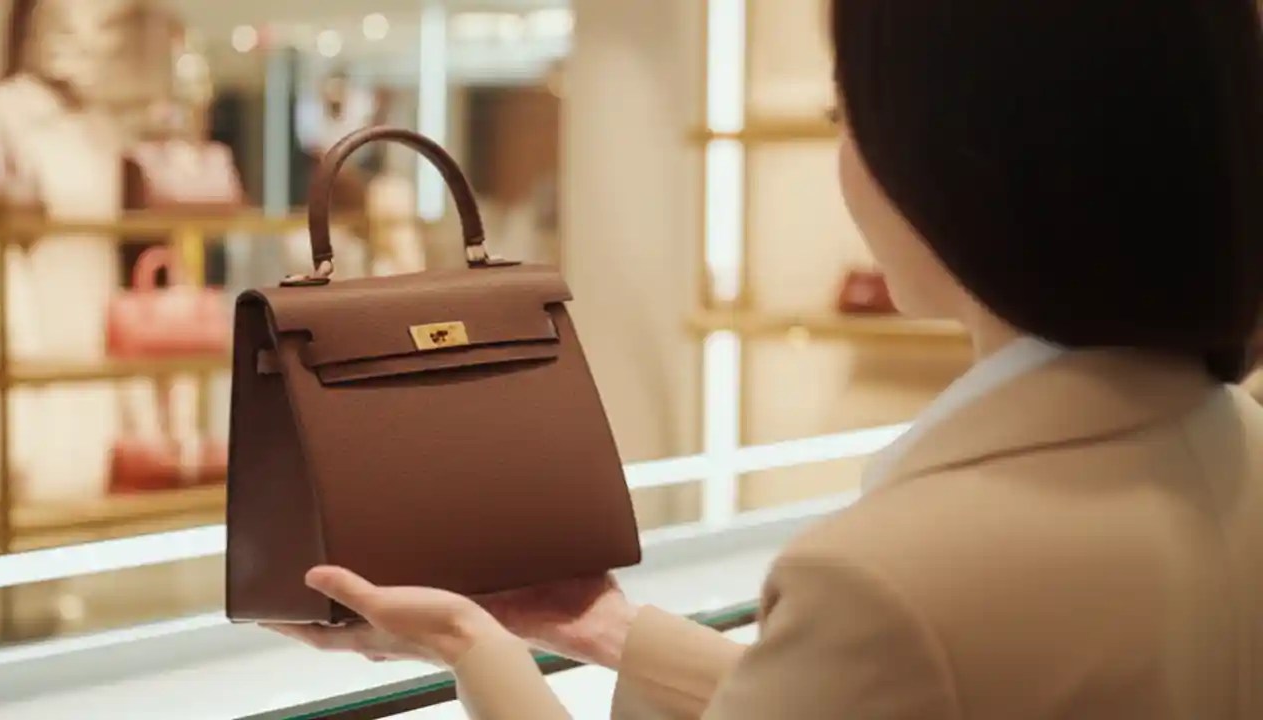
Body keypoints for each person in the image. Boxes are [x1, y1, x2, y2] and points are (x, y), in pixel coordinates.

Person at [268, 1, 1263, 718]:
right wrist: (605, 629)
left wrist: (468, 644)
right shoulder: (1233, 445)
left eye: (844, 117)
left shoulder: (884, 583)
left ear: (951, 151)